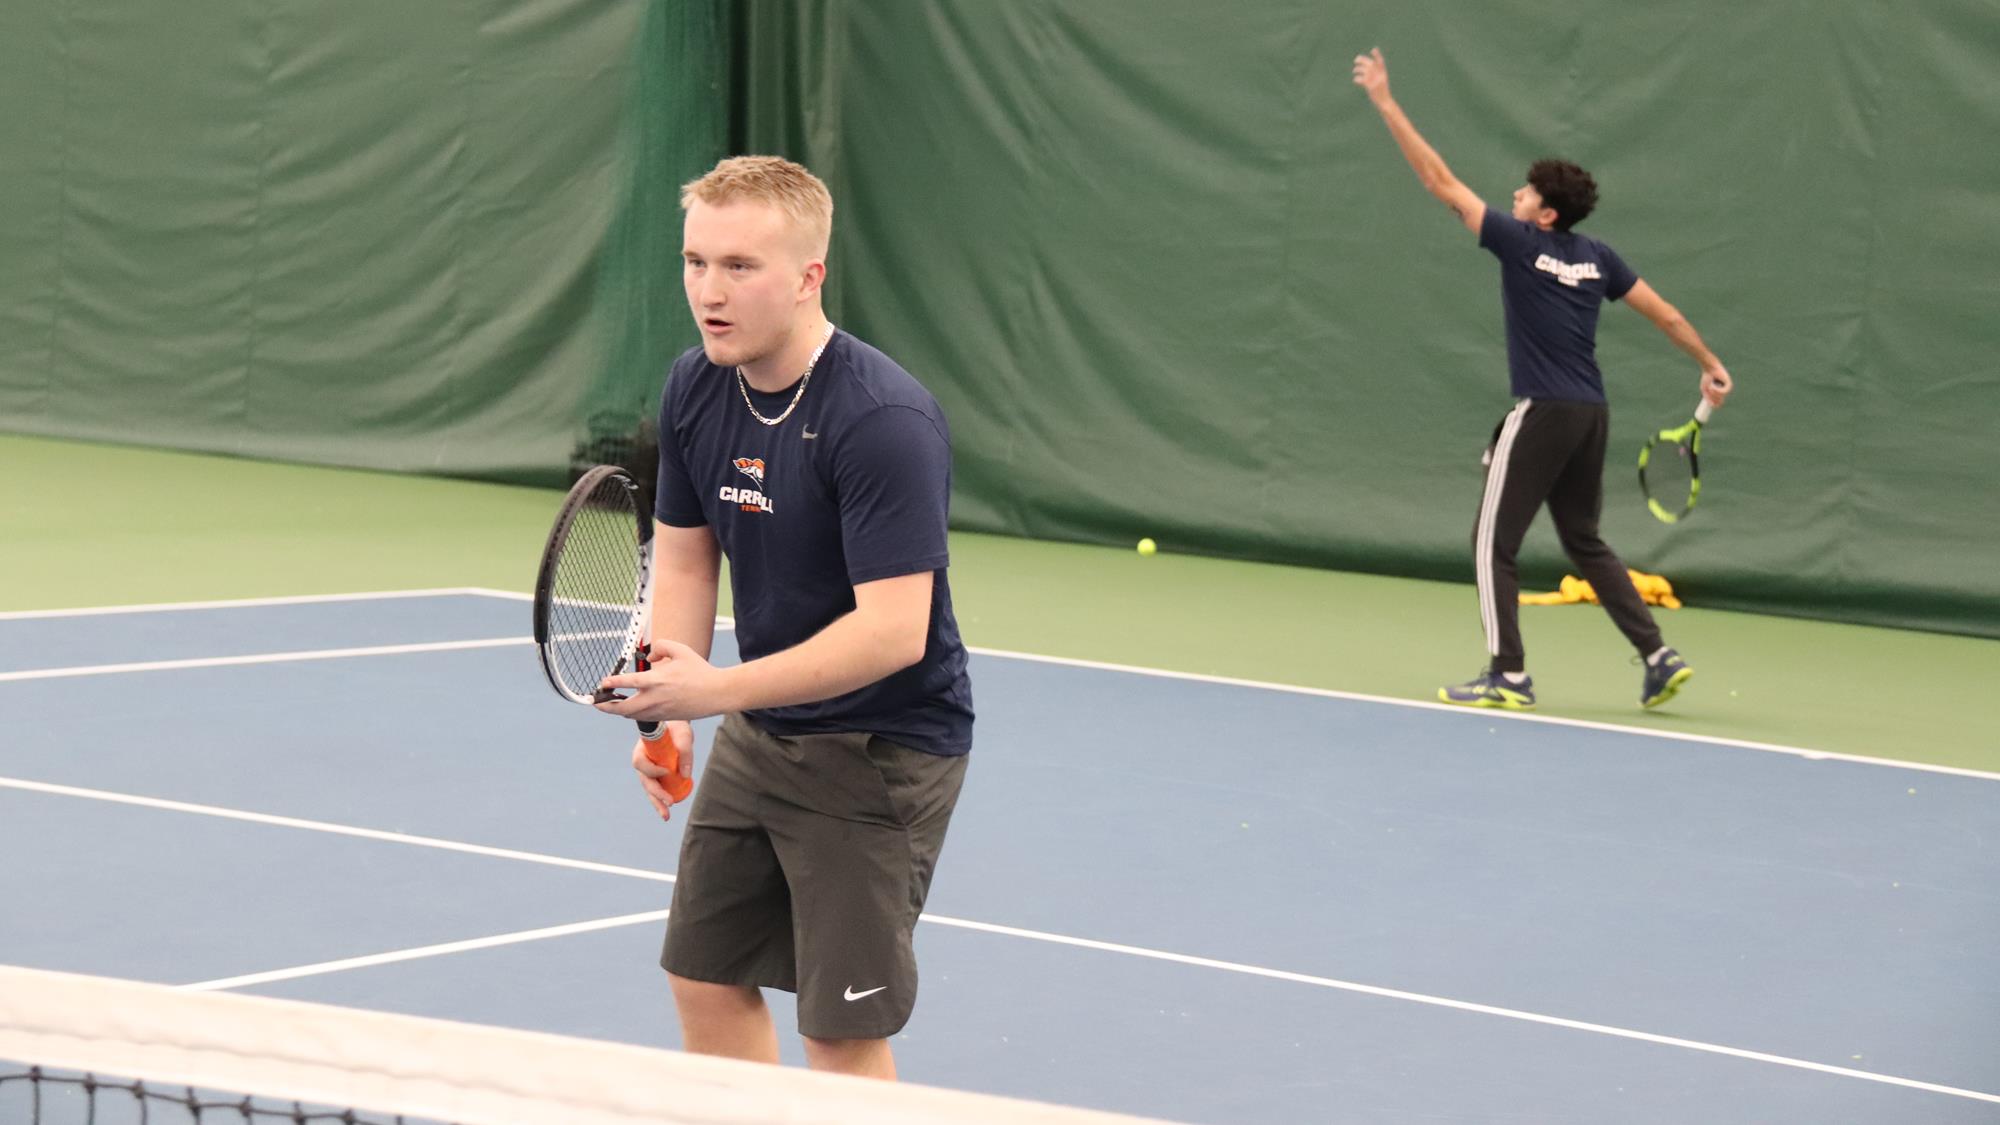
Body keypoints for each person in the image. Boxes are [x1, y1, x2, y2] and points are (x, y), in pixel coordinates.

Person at [595, 155, 973, 1080]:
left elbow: (892, 633)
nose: (707, 291)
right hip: (766, 728)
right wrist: (672, 708)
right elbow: (686, 554)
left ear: (810, 277)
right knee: (705, 974)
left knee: (837, 1033)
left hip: (881, 748)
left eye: (739, 267)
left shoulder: (882, 419)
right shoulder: (695, 386)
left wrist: (716, 688)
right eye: (695, 262)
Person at [1351, 48, 1735, 711]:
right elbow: (1667, 315)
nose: (1515, 196)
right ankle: (1656, 653)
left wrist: (1386, 102)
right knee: (1583, 538)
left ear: (1546, 215)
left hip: (1547, 411)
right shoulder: (1599, 258)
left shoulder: (1518, 242)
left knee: (1490, 543)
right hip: (1591, 414)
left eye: (1526, 193)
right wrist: (1709, 364)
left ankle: (1509, 673)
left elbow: (1438, 180)